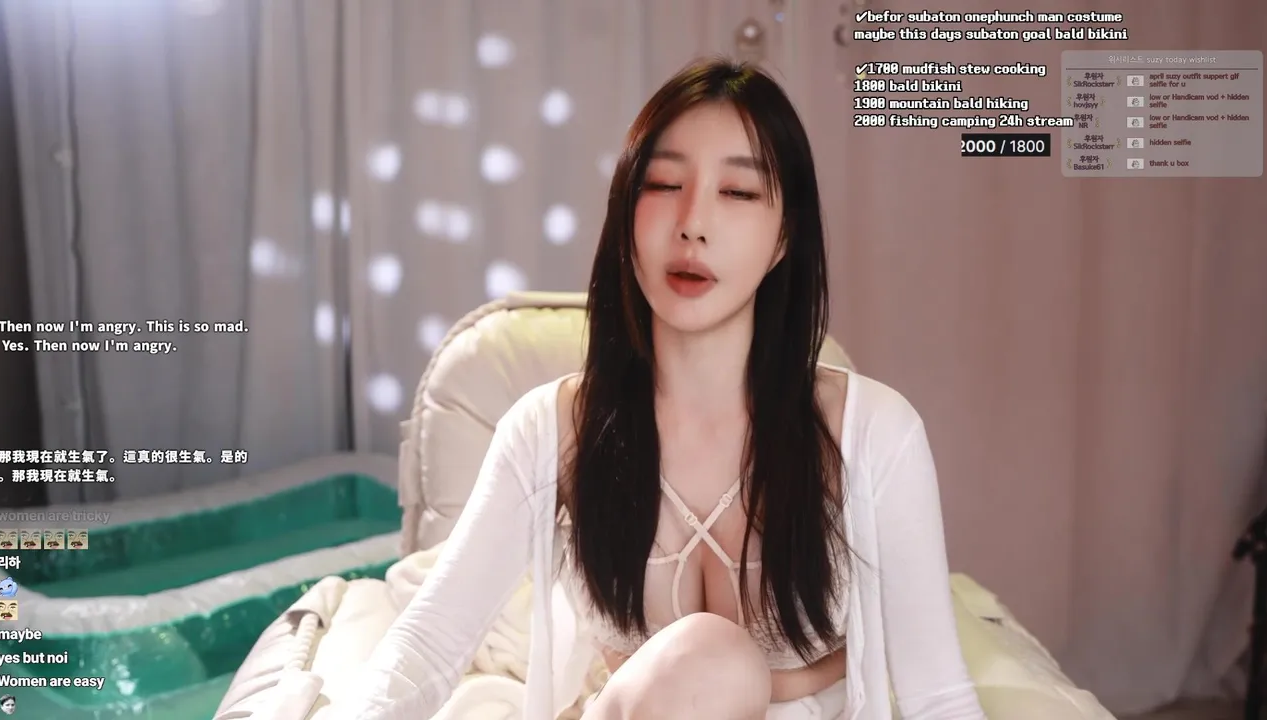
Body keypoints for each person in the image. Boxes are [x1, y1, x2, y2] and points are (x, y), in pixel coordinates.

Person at [333, 57, 987, 720]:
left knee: (716, 657)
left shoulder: (872, 434)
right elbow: (429, 643)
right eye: (665, 184)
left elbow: (938, 696)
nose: (692, 223)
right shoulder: (552, 431)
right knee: (712, 655)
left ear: (784, 236)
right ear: (626, 215)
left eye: (737, 193)